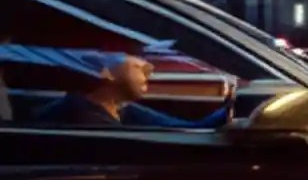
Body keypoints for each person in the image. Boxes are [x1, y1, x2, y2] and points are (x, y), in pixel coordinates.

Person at [35, 52, 229, 128]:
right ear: (106, 73)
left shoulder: (118, 108)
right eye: (137, 67)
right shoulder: (85, 120)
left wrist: (231, 107)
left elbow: (185, 130)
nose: (149, 71)